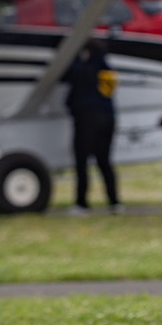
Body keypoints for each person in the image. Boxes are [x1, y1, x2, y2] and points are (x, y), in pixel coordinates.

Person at [63, 38, 121, 214]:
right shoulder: (107, 69)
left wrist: (72, 58)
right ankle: (114, 202)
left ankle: (82, 203)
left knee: (82, 161)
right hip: (108, 118)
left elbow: (68, 75)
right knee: (104, 161)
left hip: (87, 118)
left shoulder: (85, 68)